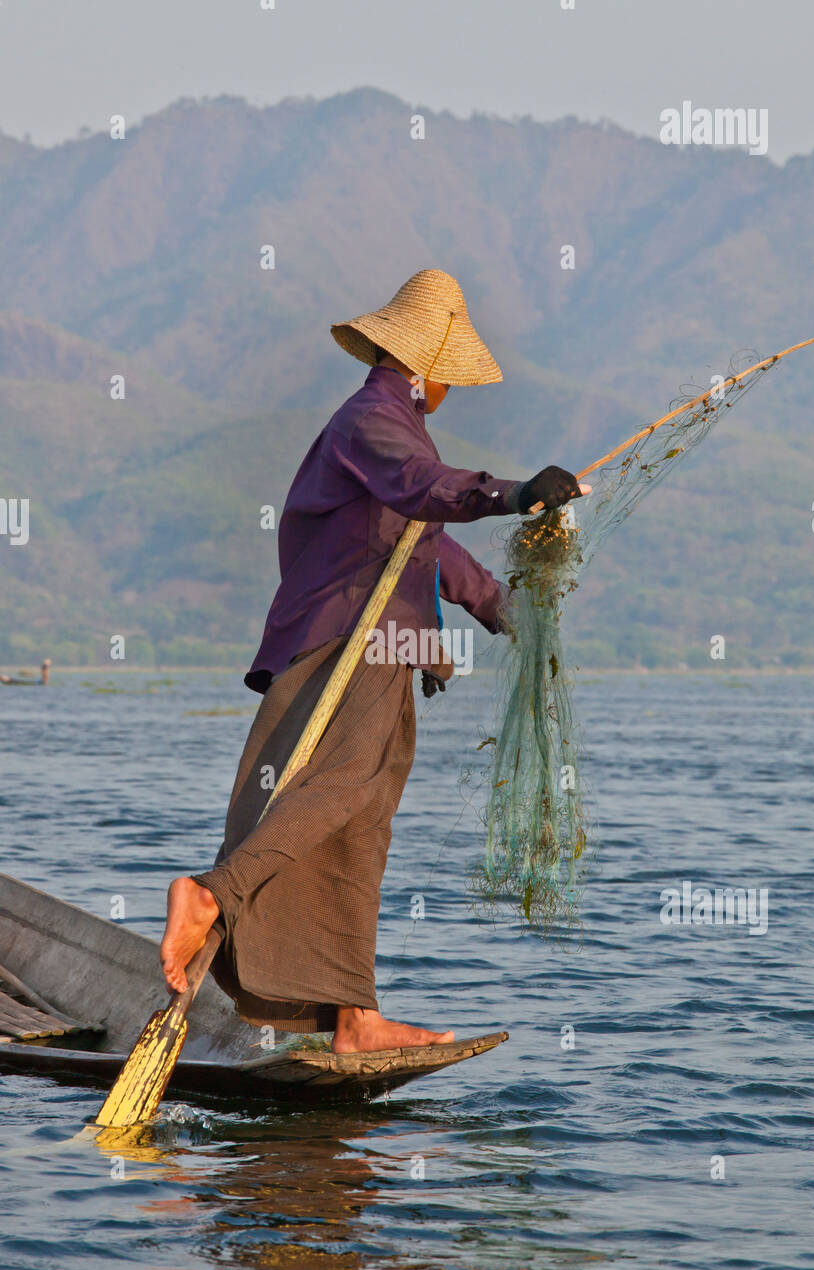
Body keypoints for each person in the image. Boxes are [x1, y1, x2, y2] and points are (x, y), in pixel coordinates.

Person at [160, 269, 587, 1052]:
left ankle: (351, 1017)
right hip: (350, 639)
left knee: (361, 825)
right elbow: (422, 489)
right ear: (426, 367)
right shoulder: (371, 422)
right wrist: (515, 491)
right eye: (450, 376)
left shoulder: (398, 429)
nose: (453, 388)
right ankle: (208, 895)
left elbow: (422, 537)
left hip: (389, 646)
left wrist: (500, 609)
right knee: (343, 790)